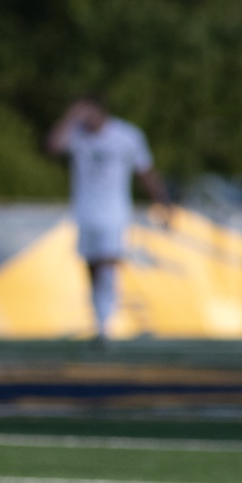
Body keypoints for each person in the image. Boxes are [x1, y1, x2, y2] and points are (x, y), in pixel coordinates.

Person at [46, 97, 171, 340]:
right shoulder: (77, 134)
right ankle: (100, 320)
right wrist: (69, 118)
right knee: (92, 266)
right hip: (85, 211)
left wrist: (162, 201)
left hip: (114, 212)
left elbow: (144, 170)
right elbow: (53, 147)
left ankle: (106, 324)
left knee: (107, 262)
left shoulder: (127, 135)